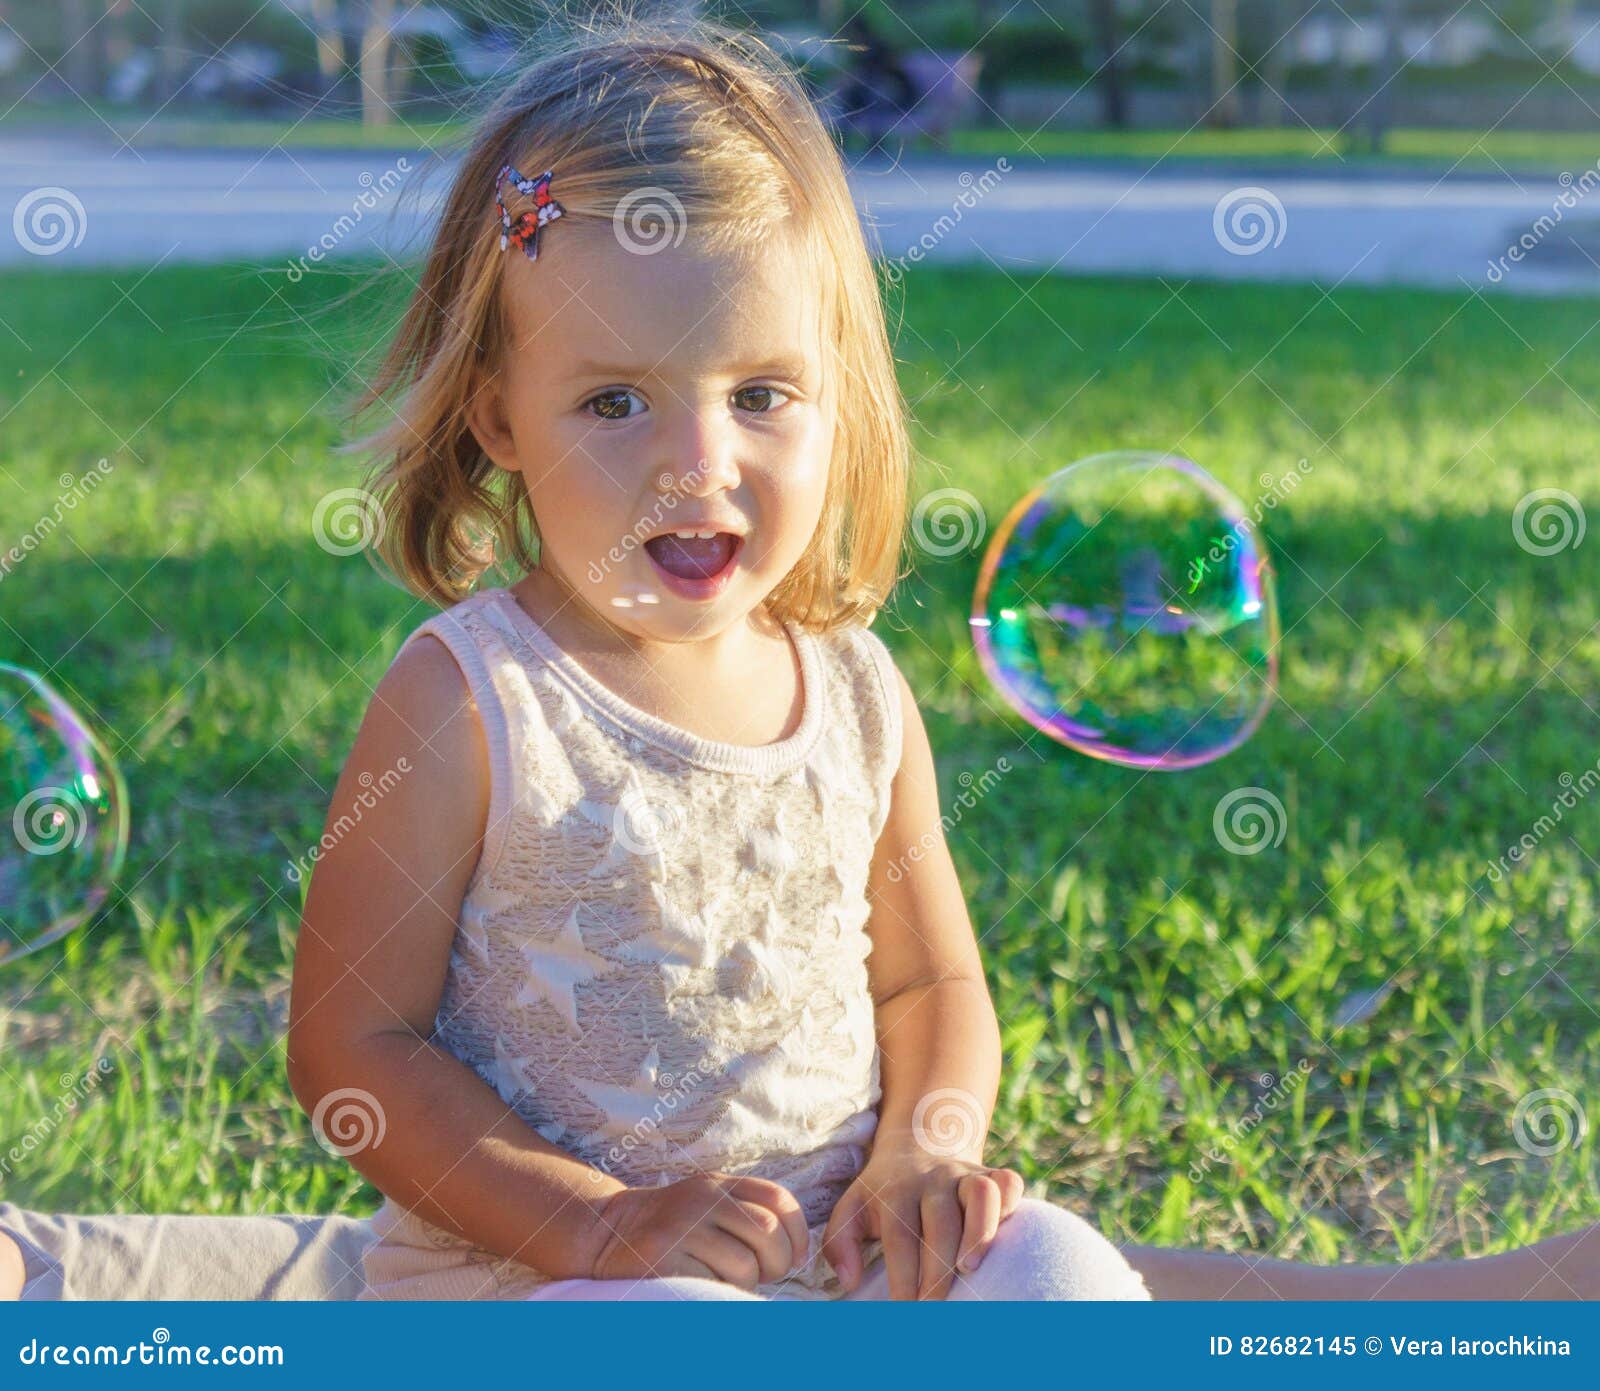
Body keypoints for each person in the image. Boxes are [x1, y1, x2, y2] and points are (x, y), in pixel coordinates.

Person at [1, 11, 1595, 1304]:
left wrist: (925, 1154)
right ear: (498, 419)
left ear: (842, 400)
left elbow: (931, 978)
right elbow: (353, 1049)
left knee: (1062, 1278)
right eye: (615, 402)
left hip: (838, 1271)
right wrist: (591, 1225)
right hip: (550, 1291)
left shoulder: (850, 690)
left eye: (761, 394)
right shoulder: (473, 700)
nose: (697, 465)